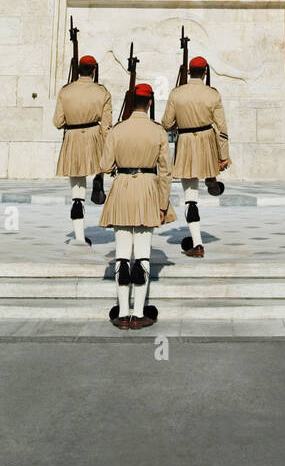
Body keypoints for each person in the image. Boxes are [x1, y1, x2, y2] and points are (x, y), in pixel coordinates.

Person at [99, 84, 175, 330]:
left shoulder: (118, 130)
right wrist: (163, 204)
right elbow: (166, 172)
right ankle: (139, 313)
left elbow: (105, 164)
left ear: (130, 103)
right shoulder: (158, 132)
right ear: (150, 103)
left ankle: (122, 313)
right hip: (147, 189)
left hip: (122, 188)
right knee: (142, 253)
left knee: (122, 253)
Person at [162, 56, 231, 258]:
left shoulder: (177, 93)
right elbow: (222, 128)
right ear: (206, 73)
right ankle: (211, 177)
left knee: (190, 198)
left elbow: (166, 123)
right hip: (207, 142)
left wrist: (180, 123)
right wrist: (224, 156)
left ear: (189, 72)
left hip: (186, 143)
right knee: (207, 169)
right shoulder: (212, 94)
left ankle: (198, 243)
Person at [52, 54, 112, 245]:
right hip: (94, 135)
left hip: (73, 138)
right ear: (94, 71)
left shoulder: (66, 91)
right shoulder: (102, 92)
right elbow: (107, 126)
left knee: (77, 190)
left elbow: (57, 122)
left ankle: (79, 236)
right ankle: (99, 178)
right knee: (99, 166)